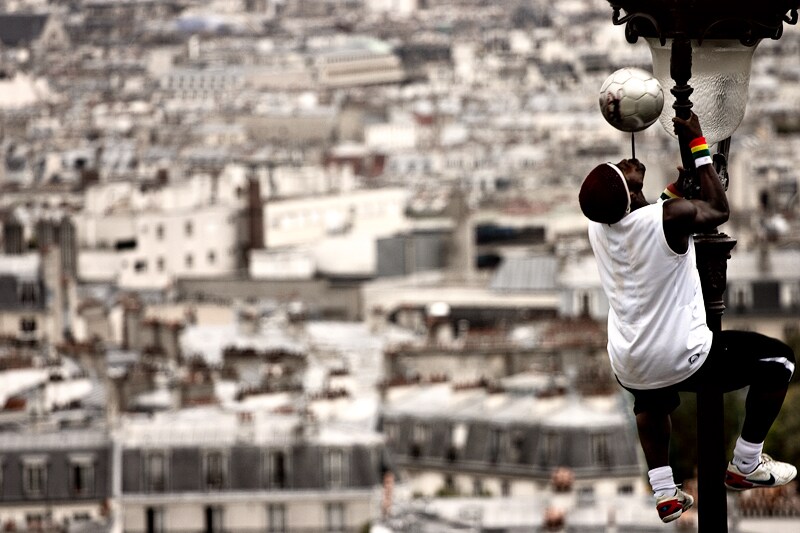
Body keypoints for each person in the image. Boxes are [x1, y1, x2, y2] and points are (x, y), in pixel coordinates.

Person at [578, 112, 797, 524]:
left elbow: (647, 216)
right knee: (779, 362)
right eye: (621, 170)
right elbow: (716, 209)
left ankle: (665, 491)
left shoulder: (600, 229)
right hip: (684, 356)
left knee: (650, 398)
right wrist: (698, 146)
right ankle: (746, 463)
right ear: (629, 192)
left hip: (629, 361)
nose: (626, 163)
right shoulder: (666, 219)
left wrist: (675, 190)